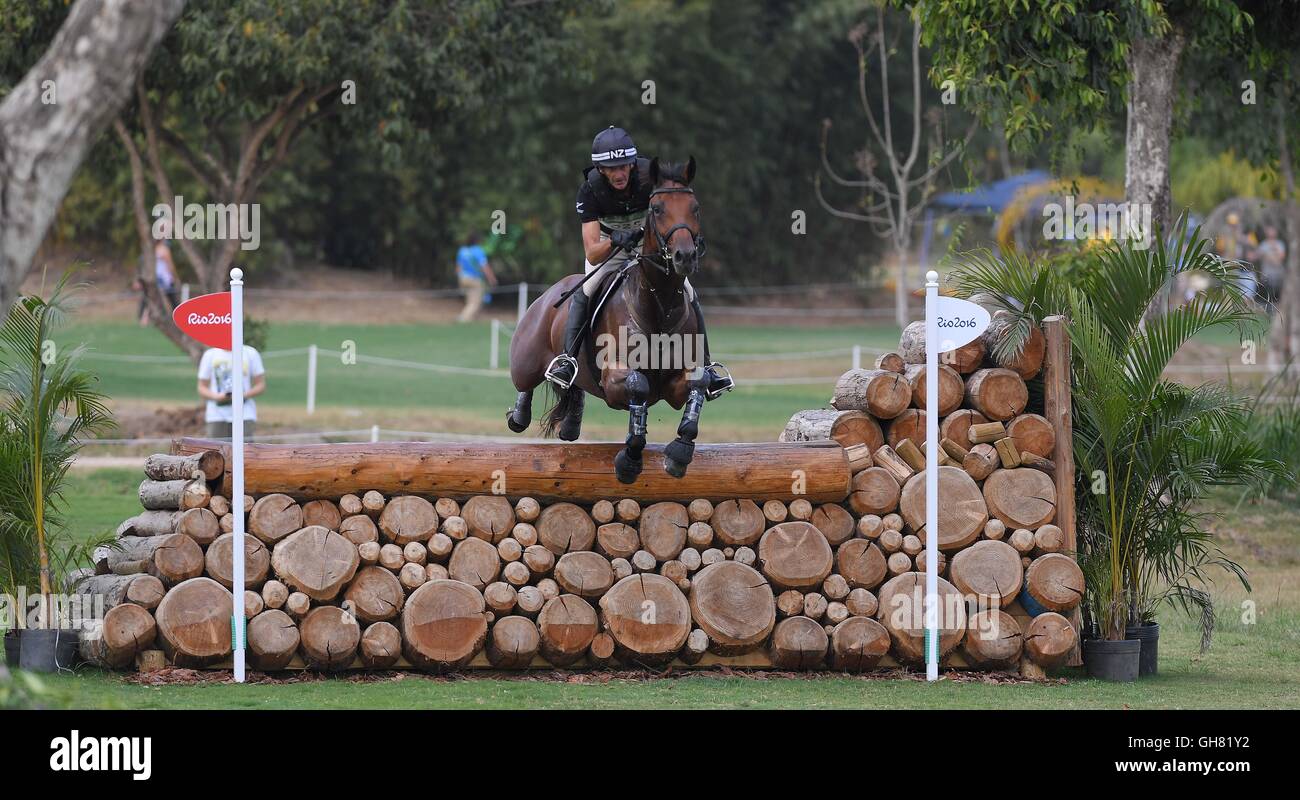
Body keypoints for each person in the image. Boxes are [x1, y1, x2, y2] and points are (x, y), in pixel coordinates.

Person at [544, 125, 730, 397]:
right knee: (586, 289)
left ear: (632, 164)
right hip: (610, 248)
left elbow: (674, 208)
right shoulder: (590, 192)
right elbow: (592, 252)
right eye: (611, 168)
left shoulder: (648, 179)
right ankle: (568, 361)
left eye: (623, 166)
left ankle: (706, 366)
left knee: (689, 291)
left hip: (649, 245)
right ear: (600, 170)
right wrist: (615, 240)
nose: (619, 174)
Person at [197, 344, 266, 441]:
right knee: (217, 452)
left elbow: (261, 385)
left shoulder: (250, 353)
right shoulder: (210, 354)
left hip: (244, 413)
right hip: (216, 414)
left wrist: (242, 395)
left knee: (245, 452)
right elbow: (201, 387)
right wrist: (217, 397)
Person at [456, 233, 498, 322]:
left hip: (463, 278)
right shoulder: (478, 251)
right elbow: (485, 267)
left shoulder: (462, 251)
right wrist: (492, 279)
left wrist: (459, 279)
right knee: (475, 303)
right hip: (474, 279)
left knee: (469, 301)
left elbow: (458, 268)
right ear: (477, 241)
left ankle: (471, 320)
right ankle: (463, 319)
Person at [1253, 226, 1287, 306]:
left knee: (1278, 295)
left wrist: (1269, 254)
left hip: (1278, 274)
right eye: (1269, 231)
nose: (1271, 233)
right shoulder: (1263, 245)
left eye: (1273, 231)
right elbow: (1257, 255)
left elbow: (1282, 257)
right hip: (1267, 274)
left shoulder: (1279, 244)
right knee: (1268, 295)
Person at [155, 237, 180, 311]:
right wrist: (175, 277)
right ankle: (177, 315)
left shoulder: (154, 249)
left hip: (157, 276)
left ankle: (144, 318)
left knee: (158, 299)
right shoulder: (164, 249)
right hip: (165, 278)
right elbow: (170, 265)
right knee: (172, 299)